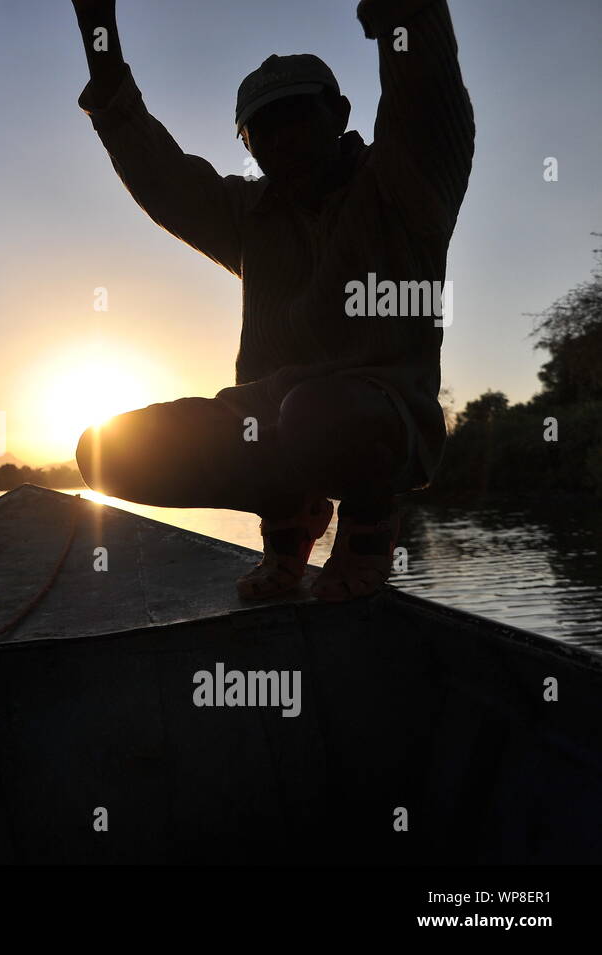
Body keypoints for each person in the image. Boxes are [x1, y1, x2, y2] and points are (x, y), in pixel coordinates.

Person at [69, 0, 475, 601]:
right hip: (271, 418)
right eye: (263, 129)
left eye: (297, 116)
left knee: (319, 414)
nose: (283, 140)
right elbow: (157, 172)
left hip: (382, 418)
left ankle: (367, 524)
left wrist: (402, 14)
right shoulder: (248, 218)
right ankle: (290, 515)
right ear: (248, 143)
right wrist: (97, 28)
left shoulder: (405, 186)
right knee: (105, 452)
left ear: (338, 113)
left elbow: (425, 88)